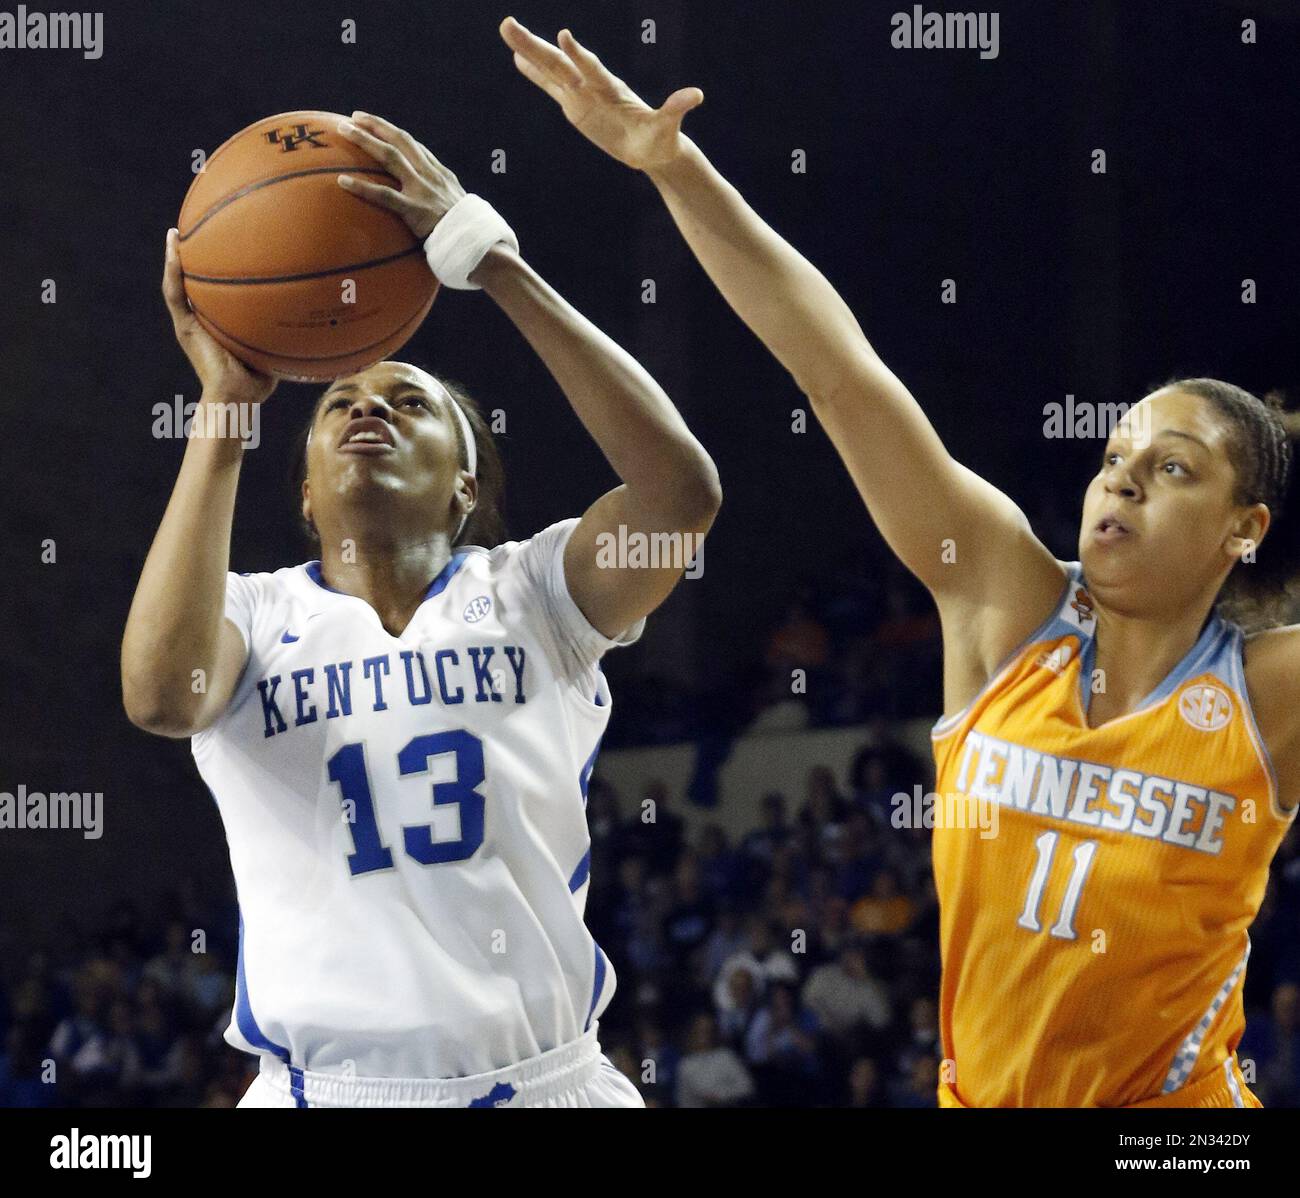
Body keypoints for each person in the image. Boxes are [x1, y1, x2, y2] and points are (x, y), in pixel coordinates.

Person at [500, 17, 1300, 1107]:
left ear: (1242, 528)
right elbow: (838, 373)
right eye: (1115, 455)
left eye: (1171, 469)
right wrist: (674, 169)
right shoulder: (1003, 605)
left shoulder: (1265, 690)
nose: (1119, 479)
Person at [121, 111, 720, 1108]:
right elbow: (157, 696)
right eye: (340, 402)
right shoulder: (254, 618)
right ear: (306, 490)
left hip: (547, 1084)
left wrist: (491, 264)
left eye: (409, 400)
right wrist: (225, 411)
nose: (368, 407)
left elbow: (680, 494)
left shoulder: (534, 594)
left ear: (464, 481)